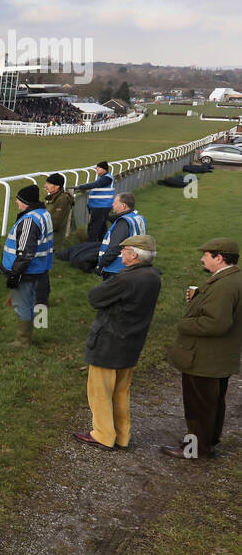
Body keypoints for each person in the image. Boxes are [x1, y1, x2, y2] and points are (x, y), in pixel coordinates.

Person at [72, 235, 162, 450]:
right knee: (121, 391)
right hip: (132, 341)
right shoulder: (153, 276)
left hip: (109, 341)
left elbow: (95, 297)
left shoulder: (127, 279)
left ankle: (103, 434)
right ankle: (122, 435)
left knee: (100, 391)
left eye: (124, 250)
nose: (121, 253)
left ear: (134, 254)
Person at [162, 238, 242, 459]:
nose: (201, 258)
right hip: (219, 357)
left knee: (199, 408)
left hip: (205, 358)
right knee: (213, 405)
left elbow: (216, 323)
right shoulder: (232, 279)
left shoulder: (224, 286)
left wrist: (184, 323)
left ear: (219, 257)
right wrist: (199, 298)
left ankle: (195, 450)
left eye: (206, 255)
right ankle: (207, 442)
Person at [0, 183, 53, 346]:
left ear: (26, 202)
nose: (16, 202)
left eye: (18, 200)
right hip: (40, 267)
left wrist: (14, 274)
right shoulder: (43, 214)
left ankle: (22, 341)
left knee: (22, 304)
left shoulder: (29, 221)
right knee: (34, 300)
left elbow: (25, 253)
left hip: (27, 271)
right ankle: (39, 327)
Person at [37, 173, 74, 306]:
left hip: (50, 240)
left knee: (41, 271)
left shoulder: (62, 199)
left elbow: (55, 223)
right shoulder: (55, 197)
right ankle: (42, 298)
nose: (45, 186)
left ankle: (41, 301)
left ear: (57, 186)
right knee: (42, 271)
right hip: (47, 239)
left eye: (48, 183)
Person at [95, 193, 147, 281]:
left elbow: (115, 248)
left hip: (116, 269)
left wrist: (101, 265)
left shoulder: (123, 222)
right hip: (133, 266)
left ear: (123, 206)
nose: (112, 205)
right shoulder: (138, 218)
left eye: (115, 203)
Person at [74, 161, 114, 242]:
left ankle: (90, 245)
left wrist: (79, 187)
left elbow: (95, 185)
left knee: (94, 227)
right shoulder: (104, 178)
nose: (97, 170)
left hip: (101, 206)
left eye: (98, 168)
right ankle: (101, 243)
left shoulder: (107, 178)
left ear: (103, 169)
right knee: (101, 227)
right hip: (100, 206)